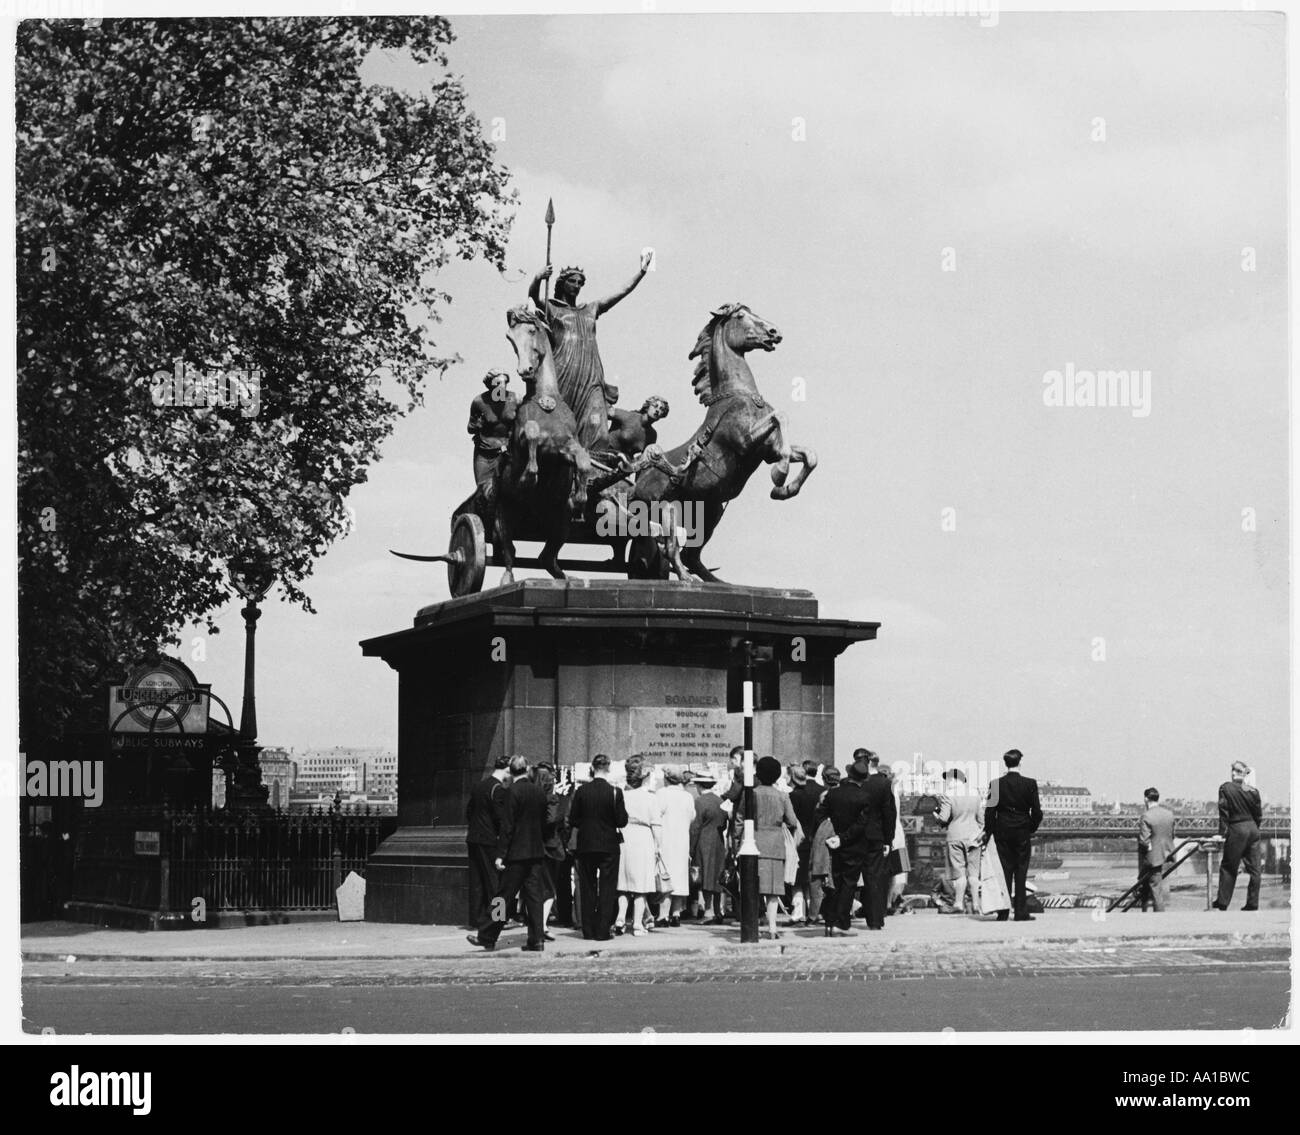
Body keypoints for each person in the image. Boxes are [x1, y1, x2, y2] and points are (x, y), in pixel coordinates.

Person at [528, 253, 653, 448]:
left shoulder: (591, 309)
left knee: (598, 428)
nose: (577, 286)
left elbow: (621, 292)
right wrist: (538, 277)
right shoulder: (551, 307)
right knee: (558, 424)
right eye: (573, 281)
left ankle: (592, 468)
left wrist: (641, 272)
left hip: (591, 375)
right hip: (563, 371)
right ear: (562, 283)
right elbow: (532, 296)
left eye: (580, 283)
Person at [468, 756, 549, 951]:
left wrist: (500, 854)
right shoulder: (538, 791)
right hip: (536, 852)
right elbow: (544, 821)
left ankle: (487, 935)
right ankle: (537, 939)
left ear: (511, 772)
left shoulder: (511, 792)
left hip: (516, 854)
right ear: (527, 770)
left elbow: (507, 827)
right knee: (534, 897)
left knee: (501, 895)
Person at [568, 753, 629, 940]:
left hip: (586, 844)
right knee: (607, 887)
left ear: (593, 768)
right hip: (609, 845)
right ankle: (603, 930)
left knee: (587, 887)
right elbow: (622, 820)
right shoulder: (615, 792)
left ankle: (588, 929)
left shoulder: (581, 791)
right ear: (608, 768)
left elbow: (574, 819)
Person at [982, 749, 1043, 922]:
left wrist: (989, 832)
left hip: (1002, 831)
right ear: (1020, 763)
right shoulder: (1030, 784)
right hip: (1022, 831)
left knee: (1004, 871)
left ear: (1005, 763)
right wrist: (1030, 827)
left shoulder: (995, 784)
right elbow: (1037, 812)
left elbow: (989, 812)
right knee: (1021, 871)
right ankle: (1021, 912)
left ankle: (1003, 911)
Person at [750, 756, 801, 939]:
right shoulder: (782, 796)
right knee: (773, 890)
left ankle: (753, 927)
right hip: (775, 844)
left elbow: (740, 820)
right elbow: (792, 821)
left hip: (754, 842)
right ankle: (772, 928)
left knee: (753, 888)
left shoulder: (752, 794)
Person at [464, 756, 512, 928]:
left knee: (476, 880)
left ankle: (475, 919)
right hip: (489, 840)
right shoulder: (498, 789)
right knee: (495, 881)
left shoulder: (479, 786)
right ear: (506, 770)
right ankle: (498, 919)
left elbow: (469, 811)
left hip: (473, 838)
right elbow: (501, 818)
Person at [616, 754, 661, 935]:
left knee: (624, 884)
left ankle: (620, 919)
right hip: (643, 839)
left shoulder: (623, 796)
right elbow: (657, 826)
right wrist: (659, 847)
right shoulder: (650, 798)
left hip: (624, 838)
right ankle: (637, 923)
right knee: (641, 886)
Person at [1214, 761, 1262, 911]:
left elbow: (1224, 812)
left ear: (1234, 773)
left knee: (1229, 866)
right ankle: (1252, 903)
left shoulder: (1226, 788)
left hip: (1237, 828)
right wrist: (1254, 828)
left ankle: (1222, 902)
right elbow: (1258, 815)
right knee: (1255, 869)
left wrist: (1222, 833)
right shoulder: (1253, 791)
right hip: (1253, 829)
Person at [934, 768, 983, 915]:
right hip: (974, 836)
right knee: (974, 873)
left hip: (955, 835)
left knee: (959, 872)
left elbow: (944, 818)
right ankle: (976, 904)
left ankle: (958, 903)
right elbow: (981, 819)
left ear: (954, 779)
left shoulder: (948, 794)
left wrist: (936, 816)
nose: (946, 782)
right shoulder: (975, 793)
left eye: (948, 779)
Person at [466, 370, 518, 503]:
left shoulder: (516, 399)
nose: (501, 386)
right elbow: (470, 429)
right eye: (498, 383)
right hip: (485, 454)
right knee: (484, 494)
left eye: (504, 383)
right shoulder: (479, 402)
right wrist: (477, 424)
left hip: (509, 453)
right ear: (490, 385)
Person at [656, 767, 696, 926]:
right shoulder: (687, 797)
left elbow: (656, 815)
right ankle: (676, 913)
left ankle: (663, 914)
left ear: (666, 779)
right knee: (680, 877)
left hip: (666, 839)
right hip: (682, 840)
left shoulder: (662, 794)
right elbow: (692, 816)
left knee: (666, 877)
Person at [692, 774, 730, 923]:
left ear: (699, 786)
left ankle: (708, 911)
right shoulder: (720, 801)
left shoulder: (699, 802)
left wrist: (691, 848)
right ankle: (717, 910)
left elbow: (695, 827)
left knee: (705, 876)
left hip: (703, 841)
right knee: (716, 876)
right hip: (719, 841)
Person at [787, 764, 821, 924]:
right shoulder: (818, 792)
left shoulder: (794, 795)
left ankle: (798, 912)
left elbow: (791, 820)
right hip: (814, 837)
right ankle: (812, 910)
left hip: (798, 838)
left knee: (797, 879)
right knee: (809, 878)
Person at [535, 765, 565, 939]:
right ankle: (541, 925)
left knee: (500, 890)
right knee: (548, 890)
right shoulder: (551, 799)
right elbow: (551, 819)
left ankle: (495, 922)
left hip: (521, 847)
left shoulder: (523, 795)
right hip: (547, 848)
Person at [807, 766, 841, 923]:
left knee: (817, 876)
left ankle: (815, 913)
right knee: (835, 876)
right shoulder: (845, 794)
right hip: (841, 836)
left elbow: (816, 819)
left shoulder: (824, 797)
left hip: (823, 834)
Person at [1137, 786, 1176, 913]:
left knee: (1153, 889)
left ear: (1145, 799)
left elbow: (1144, 840)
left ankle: (1157, 919)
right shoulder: (1169, 814)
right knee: (1158, 888)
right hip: (1169, 855)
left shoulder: (1146, 816)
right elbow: (1172, 835)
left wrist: (1148, 850)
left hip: (1153, 859)